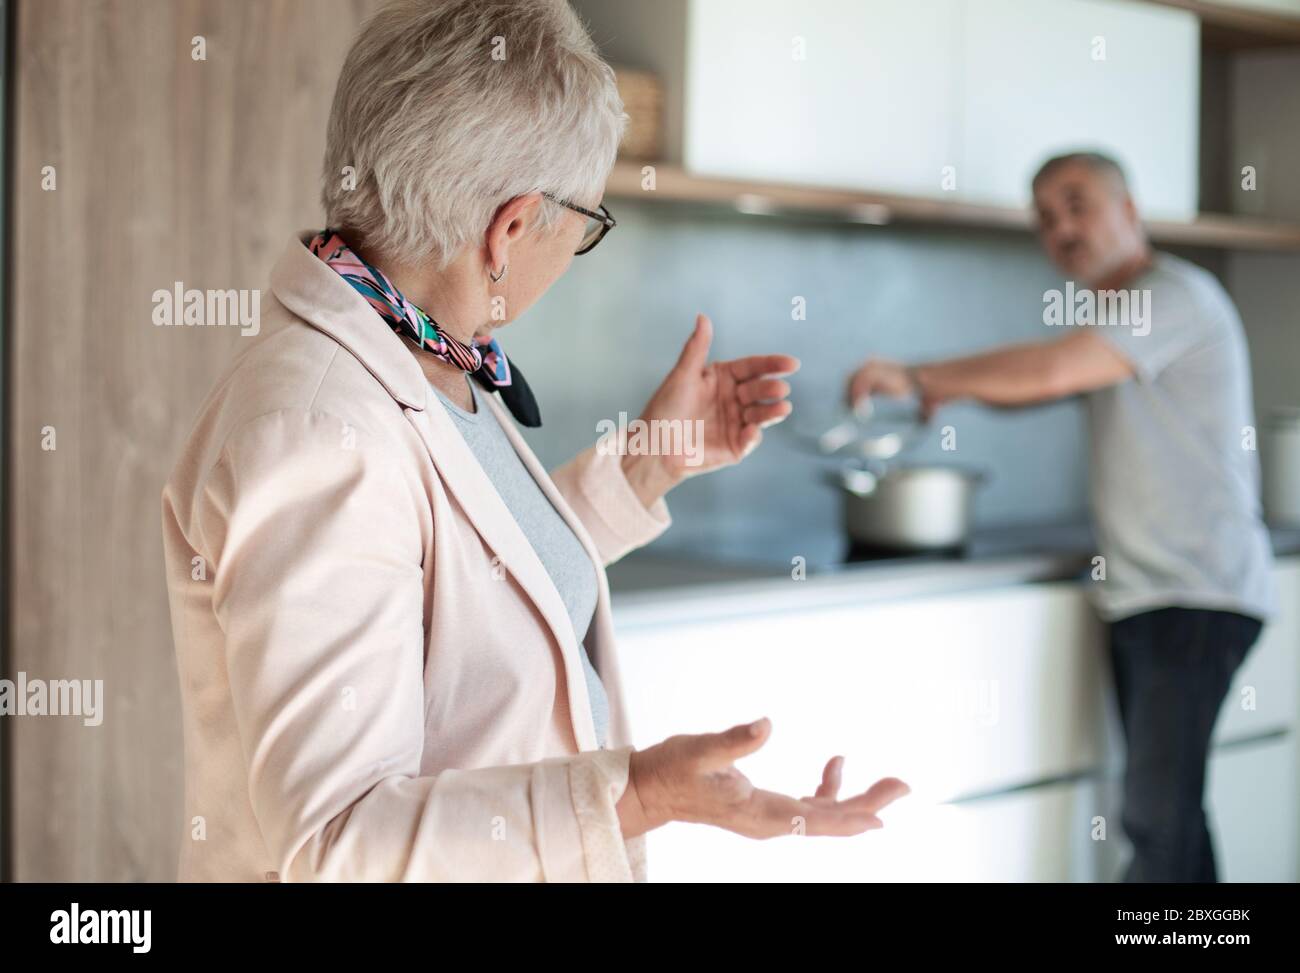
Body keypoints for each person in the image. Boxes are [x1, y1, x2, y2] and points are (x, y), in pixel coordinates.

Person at [162, 0, 907, 883]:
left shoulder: (427, 358)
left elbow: (465, 594)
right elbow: (340, 841)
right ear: (510, 229)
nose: (576, 244)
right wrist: (637, 795)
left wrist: (650, 461)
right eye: (586, 223)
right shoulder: (321, 430)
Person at [846, 151, 1274, 883]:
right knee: (1168, 818)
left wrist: (921, 375)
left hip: (1195, 593)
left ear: (1130, 209)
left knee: (1155, 818)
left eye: (1077, 203)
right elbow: (1041, 387)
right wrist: (954, 392)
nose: (1061, 226)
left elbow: (1050, 369)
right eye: (1045, 216)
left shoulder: (1172, 296)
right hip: (1151, 593)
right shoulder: (1115, 317)